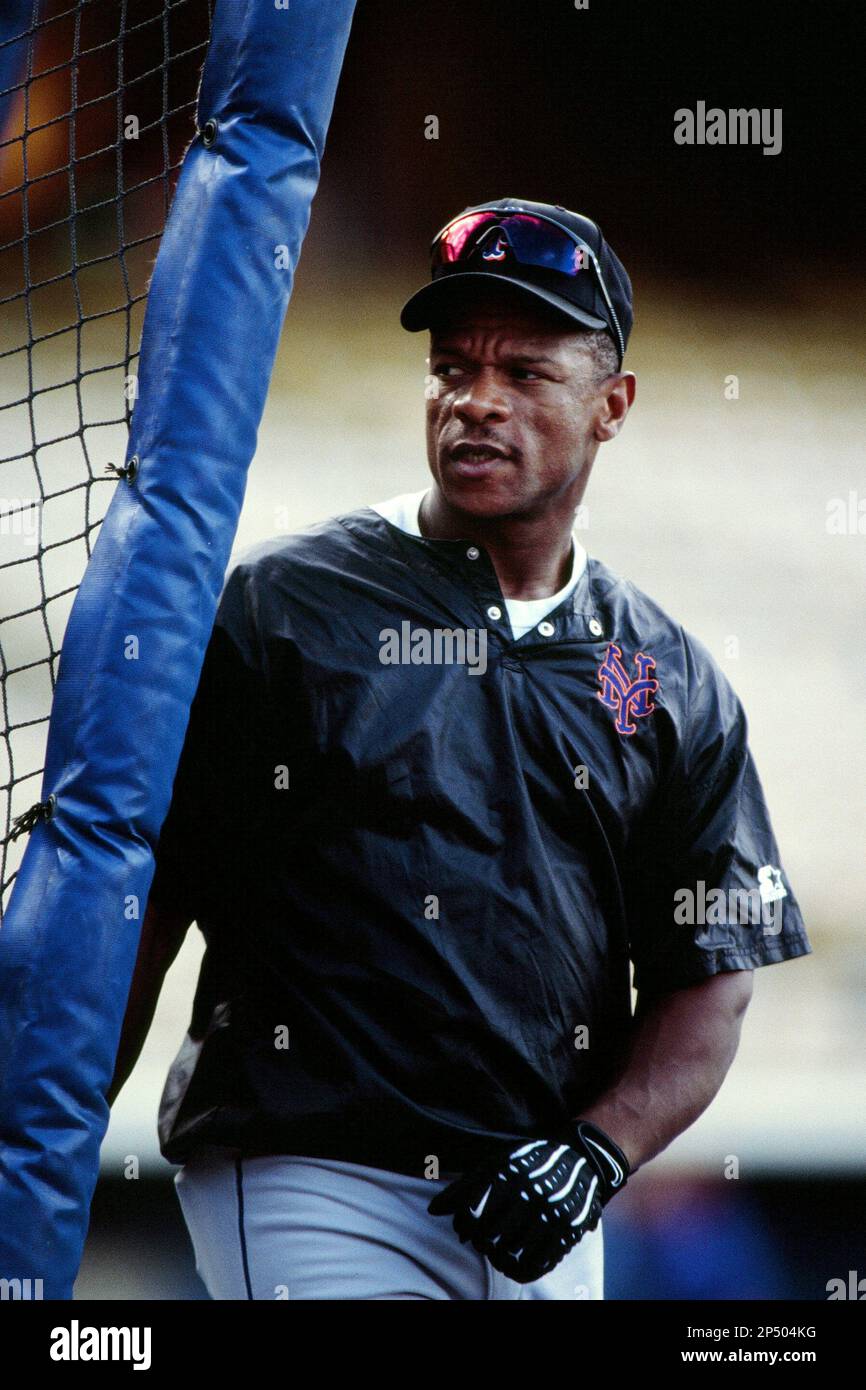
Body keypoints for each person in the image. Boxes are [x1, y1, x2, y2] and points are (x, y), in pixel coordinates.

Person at [109, 197, 811, 1300]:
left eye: (524, 373)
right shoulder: (282, 610)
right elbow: (144, 906)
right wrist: (39, 1144)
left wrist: (595, 1151)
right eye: (451, 368)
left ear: (610, 404)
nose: (473, 401)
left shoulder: (673, 675)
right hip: (309, 1175)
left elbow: (708, 982)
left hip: (536, 1200)